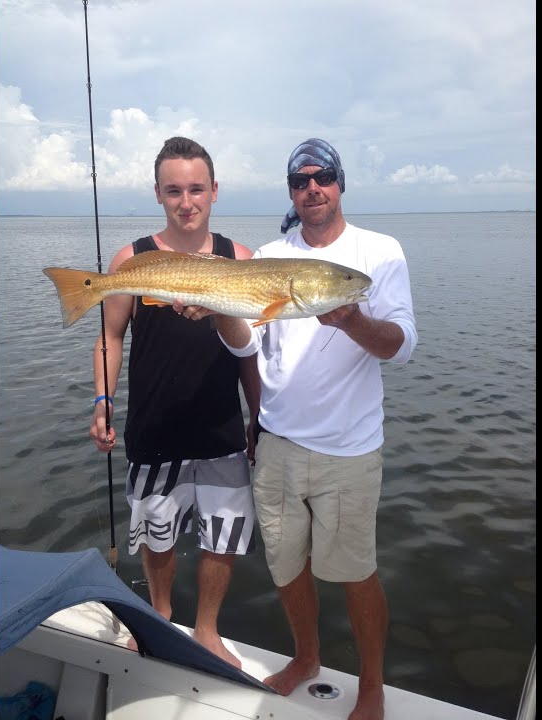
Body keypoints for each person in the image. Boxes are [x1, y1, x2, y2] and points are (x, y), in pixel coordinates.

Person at [179, 137, 417, 720]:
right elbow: (249, 342)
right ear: (291, 192)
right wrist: (220, 310)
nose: (312, 187)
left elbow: (402, 346)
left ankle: (371, 686)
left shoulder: (378, 253)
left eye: (323, 176)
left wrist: (354, 319)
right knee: (286, 568)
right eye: (300, 180)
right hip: (278, 444)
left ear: (340, 183)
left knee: (356, 573)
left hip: (349, 450)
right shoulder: (265, 256)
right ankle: (307, 658)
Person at [87, 136, 260, 669]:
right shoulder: (132, 259)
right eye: (174, 190)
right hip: (154, 427)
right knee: (157, 537)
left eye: (197, 189)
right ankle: (159, 616)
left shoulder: (241, 259)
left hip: (221, 430)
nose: (187, 201)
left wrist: (259, 418)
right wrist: (102, 400)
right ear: (159, 194)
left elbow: (251, 354)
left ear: (214, 192)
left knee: (222, 538)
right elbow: (111, 336)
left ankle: (207, 629)